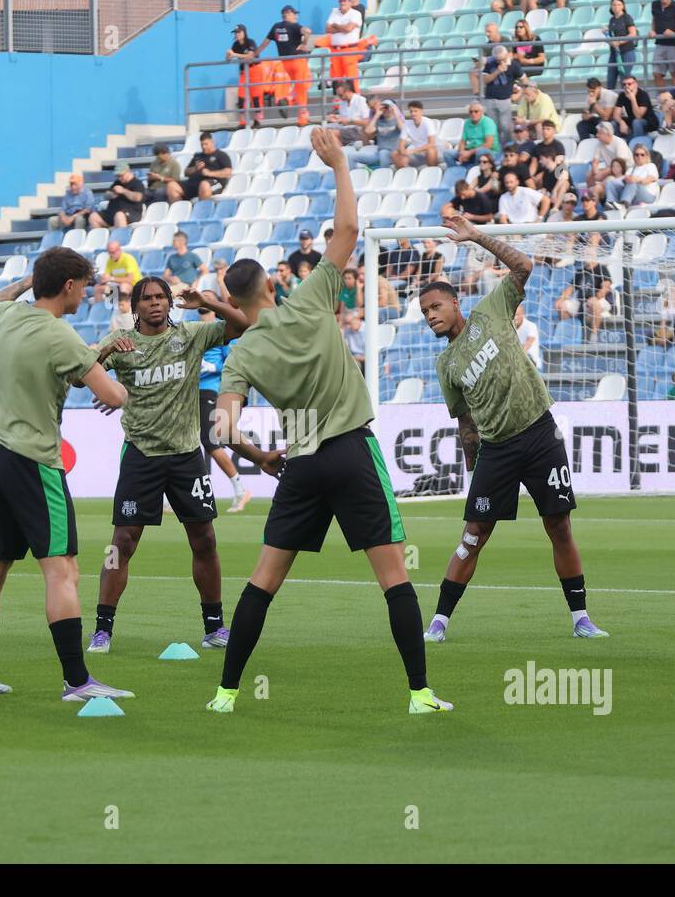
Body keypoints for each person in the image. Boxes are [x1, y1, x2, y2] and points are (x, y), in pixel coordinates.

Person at [204, 127, 452, 716]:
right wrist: (339, 163)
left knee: (263, 581)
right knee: (393, 575)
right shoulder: (313, 297)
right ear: (270, 285)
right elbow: (346, 231)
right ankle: (419, 693)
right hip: (351, 451)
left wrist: (257, 454)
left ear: (234, 303)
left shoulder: (240, 353)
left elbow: (221, 423)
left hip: (302, 461)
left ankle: (225, 693)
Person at [0, 248, 134, 700]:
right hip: (35, 461)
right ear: (69, 286)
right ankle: (77, 681)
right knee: (63, 571)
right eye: (85, 284)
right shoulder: (61, 335)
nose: (88, 292)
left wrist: (25, 285)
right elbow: (110, 395)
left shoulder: (7, 320)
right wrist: (128, 387)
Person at [421, 217, 610, 645]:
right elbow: (466, 422)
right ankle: (439, 621)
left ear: (454, 303)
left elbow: (523, 266)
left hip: (540, 434)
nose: (431, 316)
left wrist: (477, 237)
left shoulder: (492, 309)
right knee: (473, 536)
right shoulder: (445, 364)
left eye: (436, 307)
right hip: (497, 451)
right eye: (425, 313)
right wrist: (474, 467)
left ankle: (581, 618)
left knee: (558, 526)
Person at [86, 277, 249, 655]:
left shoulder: (191, 335)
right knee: (121, 544)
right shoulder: (123, 345)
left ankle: (214, 626)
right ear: (135, 306)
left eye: (161, 297)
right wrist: (105, 358)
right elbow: (79, 376)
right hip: (140, 455)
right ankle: (102, 629)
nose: (156, 304)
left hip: (186, 454)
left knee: (204, 539)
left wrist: (207, 299)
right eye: (148, 299)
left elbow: (242, 323)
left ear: (170, 303)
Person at [197, 308, 251, 513]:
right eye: (200, 309)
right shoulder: (194, 330)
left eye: (206, 308)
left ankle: (240, 489)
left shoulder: (222, 331)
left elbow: (233, 361)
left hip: (209, 391)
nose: (202, 312)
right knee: (186, 443)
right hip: (189, 393)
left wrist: (212, 367)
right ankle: (184, 493)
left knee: (210, 441)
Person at [255, 4, 312, 126]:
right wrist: (305, 41)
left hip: (285, 62)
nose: (296, 16)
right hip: (298, 60)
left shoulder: (276, 27)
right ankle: (300, 116)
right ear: (287, 13)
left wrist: (254, 54)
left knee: (299, 86)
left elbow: (264, 43)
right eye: (294, 14)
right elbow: (307, 31)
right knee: (303, 87)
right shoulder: (295, 26)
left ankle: (288, 100)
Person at [481, 46, 524, 145]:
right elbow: (485, 80)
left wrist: (519, 93)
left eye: (502, 59)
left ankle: (508, 148)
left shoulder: (514, 65)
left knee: (506, 127)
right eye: (498, 60)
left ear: (507, 55)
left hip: (505, 100)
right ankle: (497, 149)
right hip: (490, 99)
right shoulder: (490, 64)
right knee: (493, 127)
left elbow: (525, 80)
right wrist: (497, 71)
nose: (500, 62)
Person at [89, 161, 145, 230]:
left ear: (128, 172)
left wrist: (124, 191)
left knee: (119, 215)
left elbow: (138, 198)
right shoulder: (117, 183)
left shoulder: (137, 183)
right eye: (117, 176)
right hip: (111, 213)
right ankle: (103, 238)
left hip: (130, 213)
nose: (119, 178)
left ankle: (120, 239)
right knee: (93, 217)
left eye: (121, 175)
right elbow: (106, 195)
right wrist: (111, 195)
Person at [325, 0, 365, 89]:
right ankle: (337, 102)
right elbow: (327, 29)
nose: (343, 2)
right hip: (336, 50)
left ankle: (355, 100)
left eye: (345, 0)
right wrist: (342, 28)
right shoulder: (334, 12)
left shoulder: (355, 13)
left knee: (351, 78)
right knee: (336, 79)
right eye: (341, 0)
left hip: (349, 49)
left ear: (350, 2)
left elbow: (348, 29)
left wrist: (335, 25)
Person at [227, 24, 263, 128]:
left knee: (255, 96)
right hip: (244, 71)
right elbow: (229, 58)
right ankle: (242, 121)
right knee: (241, 96)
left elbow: (251, 56)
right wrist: (228, 54)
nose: (237, 34)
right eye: (235, 33)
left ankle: (257, 120)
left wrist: (235, 55)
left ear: (244, 32)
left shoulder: (250, 42)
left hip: (255, 69)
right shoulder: (235, 45)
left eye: (239, 32)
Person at [184, 131, 233, 200]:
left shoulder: (221, 155)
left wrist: (210, 173)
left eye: (206, 144)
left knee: (204, 185)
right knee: (172, 186)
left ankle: (202, 209)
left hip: (217, 184)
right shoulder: (197, 156)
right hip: (196, 183)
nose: (204, 147)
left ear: (212, 142)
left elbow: (228, 172)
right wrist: (195, 168)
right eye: (202, 145)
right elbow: (186, 172)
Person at [651, 0, 675, 87]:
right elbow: (654, 19)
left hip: (673, 44)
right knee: (657, 73)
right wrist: (653, 30)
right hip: (659, 43)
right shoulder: (655, 4)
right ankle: (663, 98)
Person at [392, 100, 440, 168]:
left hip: (429, 152)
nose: (413, 113)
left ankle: (433, 172)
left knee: (431, 150)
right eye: (411, 111)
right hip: (416, 153)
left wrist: (412, 151)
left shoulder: (428, 122)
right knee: (395, 154)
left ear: (421, 111)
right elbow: (401, 144)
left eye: (415, 111)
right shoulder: (407, 124)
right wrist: (403, 151)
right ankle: (405, 172)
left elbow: (432, 144)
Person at [607, 0, 640, 90]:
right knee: (611, 77)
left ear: (623, 6)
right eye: (614, 4)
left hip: (626, 51)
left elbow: (633, 34)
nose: (616, 7)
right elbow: (610, 36)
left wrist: (619, 42)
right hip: (614, 52)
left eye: (618, 4)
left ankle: (628, 100)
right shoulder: (612, 20)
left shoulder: (627, 17)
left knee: (625, 77)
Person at [614, 73, 660, 138]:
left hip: (649, 122)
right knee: (614, 122)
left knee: (636, 122)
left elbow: (638, 116)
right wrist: (621, 122)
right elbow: (616, 115)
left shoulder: (643, 95)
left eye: (629, 84)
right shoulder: (622, 95)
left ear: (635, 84)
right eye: (624, 84)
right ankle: (618, 142)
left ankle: (637, 143)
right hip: (633, 120)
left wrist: (633, 99)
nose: (626, 86)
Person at [328, 79, 371, 144]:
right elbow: (344, 120)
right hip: (346, 129)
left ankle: (338, 151)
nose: (339, 97)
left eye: (341, 95)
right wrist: (337, 118)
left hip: (357, 130)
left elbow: (367, 122)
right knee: (323, 131)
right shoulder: (343, 103)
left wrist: (350, 121)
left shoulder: (361, 100)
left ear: (348, 91)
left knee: (332, 133)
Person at [457, 101, 499, 165]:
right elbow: (462, 142)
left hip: (490, 151)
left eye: (476, 111)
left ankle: (476, 169)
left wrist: (469, 153)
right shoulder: (467, 123)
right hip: (472, 150)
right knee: (448, 154)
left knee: (480, 151)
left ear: (482, 112)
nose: (473, 114)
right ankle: (459, 169)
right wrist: (462, 153)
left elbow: (488, 144)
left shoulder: (488, 122)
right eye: (471, 112)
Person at [514, 302, 542, 370]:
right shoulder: (510, 327)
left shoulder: (531, 326)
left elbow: (528, 344)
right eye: (513, 315)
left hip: (530, 360)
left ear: (523, 315)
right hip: (517, 360)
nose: (514, 318)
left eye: (517, 315)